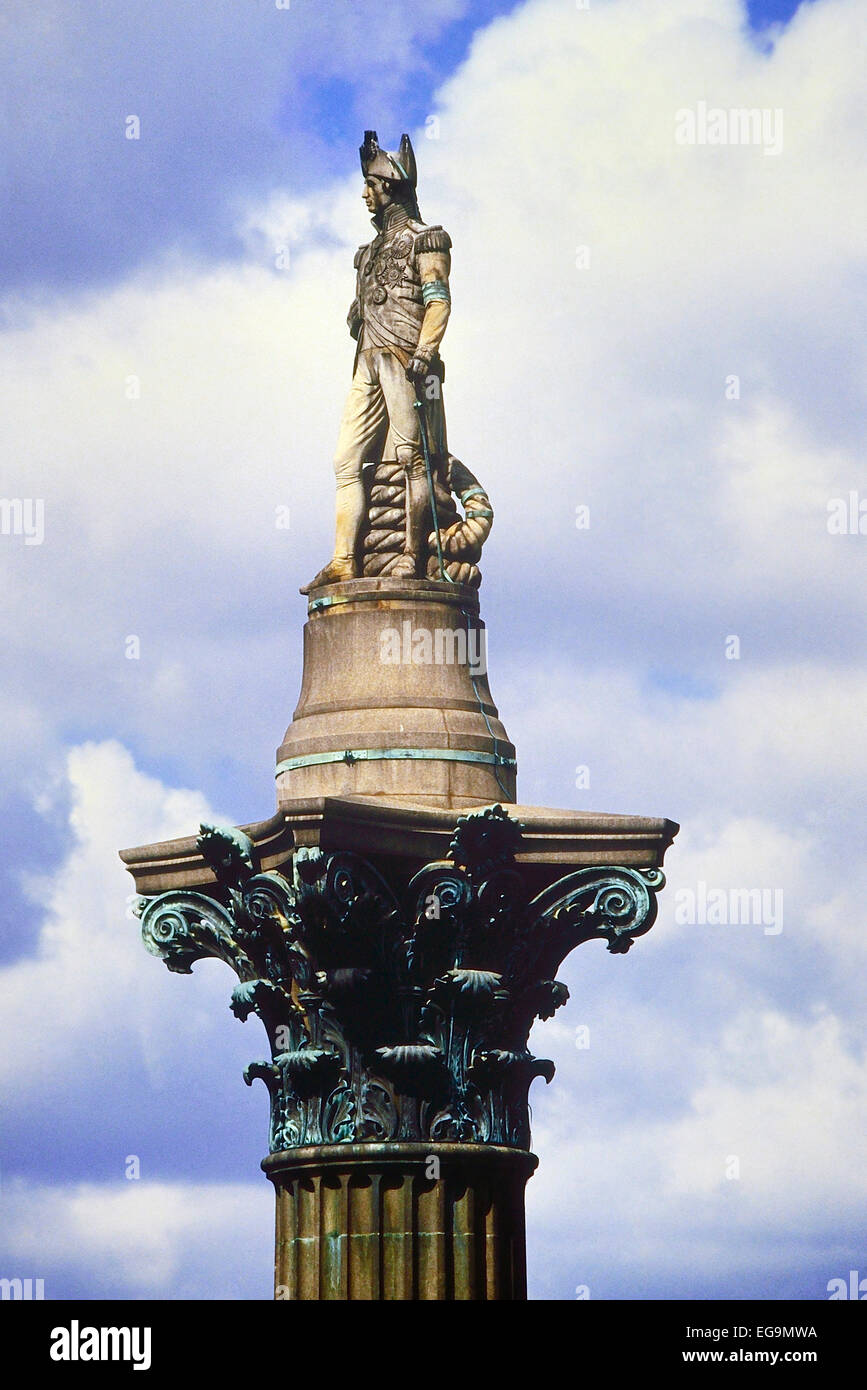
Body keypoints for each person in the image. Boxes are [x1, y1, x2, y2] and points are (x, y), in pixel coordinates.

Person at [301, 131, 452, 592]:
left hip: (406, 361)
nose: (365, 194)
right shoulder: (366, 255)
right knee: (346, 459)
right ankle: (344, 560)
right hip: (368, 359)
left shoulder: (427, 240)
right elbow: (362, 312)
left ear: (392, 187)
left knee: (412, 460)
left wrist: (425, 353)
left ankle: (413, 553)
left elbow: (438, 302)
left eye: (371, 184)